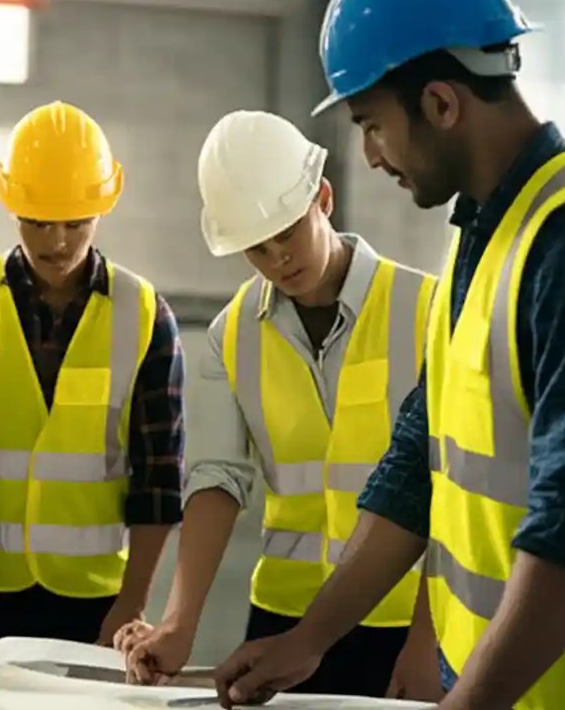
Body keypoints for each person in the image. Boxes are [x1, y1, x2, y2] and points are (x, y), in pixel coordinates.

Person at [209, 0, 565, 709]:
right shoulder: (480, 238)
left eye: (371, 126)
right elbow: (416, 467)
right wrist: (311, 638)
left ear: (439, 103)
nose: (369, 156)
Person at [115, 110, 441, 700]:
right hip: (282, 622)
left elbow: (450, 489)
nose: (277, 261)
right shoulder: (231, 332)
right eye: (256, 250)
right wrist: (178, 622)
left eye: (286, 234)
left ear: (323, 198)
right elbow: (217, 479)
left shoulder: (427, 311)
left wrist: (429, 639)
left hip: (402, 623)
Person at [0, 101, 185, 650]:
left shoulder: (145, 314)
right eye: (37, 222)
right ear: (9, 202)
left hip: (100, 602)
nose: (57, 242)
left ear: (103, 207)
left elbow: (159, 481)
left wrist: (132, 604)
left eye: (75, 223)